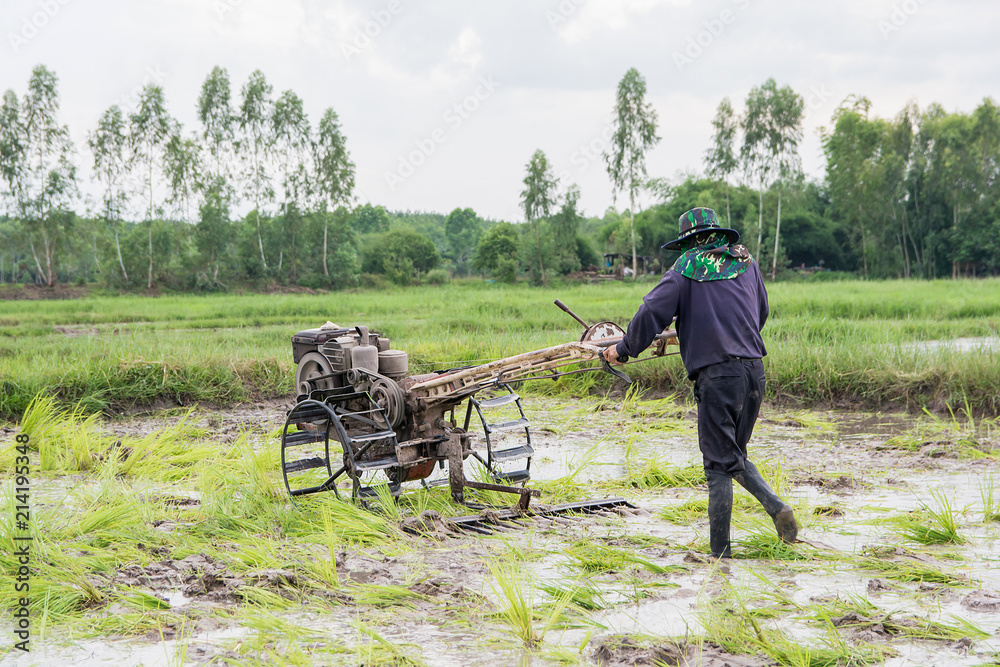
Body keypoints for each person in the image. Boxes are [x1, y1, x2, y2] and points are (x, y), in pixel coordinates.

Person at [603, 207, 798, 559]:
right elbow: (761, 311)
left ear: (688, 241)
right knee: (732, 456)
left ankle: (723, 553)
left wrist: (623, 349)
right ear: (718, 234)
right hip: (754, 371)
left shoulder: (685, 269)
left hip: (718, 377)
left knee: (718, 466)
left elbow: (650, 314)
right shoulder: (746, 261)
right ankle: (772, 512)